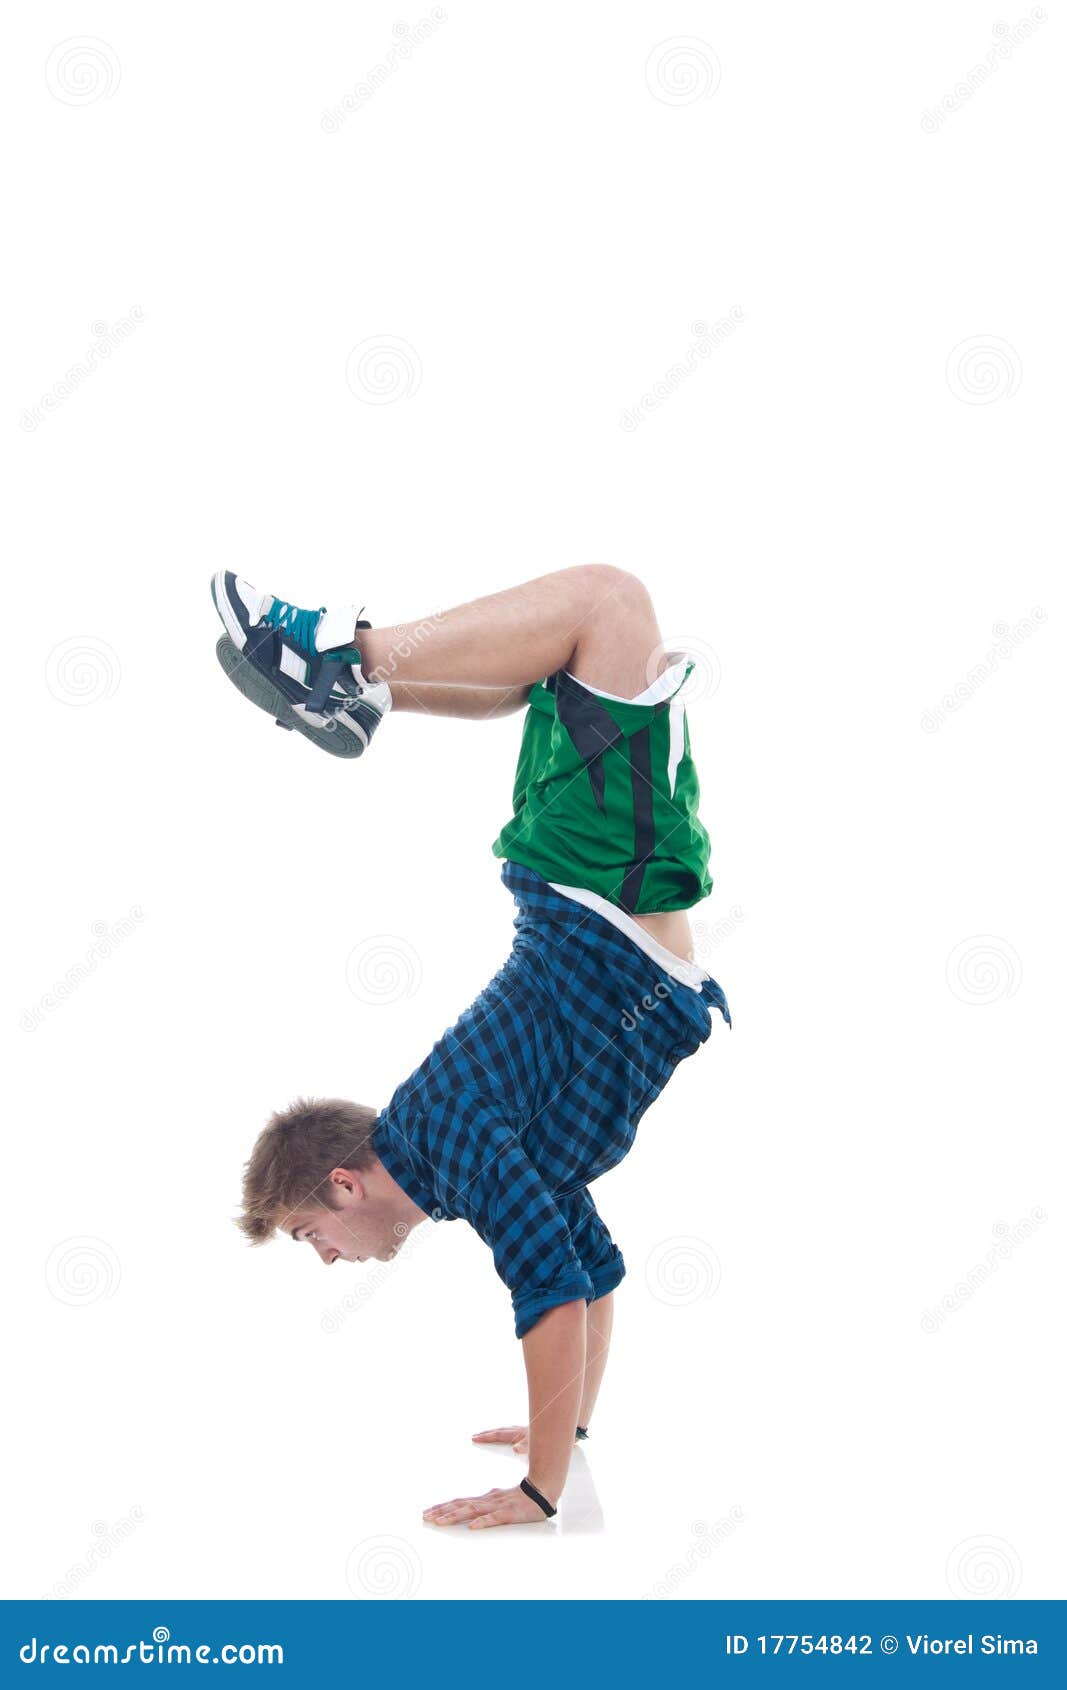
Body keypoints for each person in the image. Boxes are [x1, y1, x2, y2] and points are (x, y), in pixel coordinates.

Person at [211, 562, 731, 1530]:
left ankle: (346, 661)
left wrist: (538, 1489)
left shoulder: (442, 1137)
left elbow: (548, 1284)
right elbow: (589, 1266)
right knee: (563, 652)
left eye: (306, 1236)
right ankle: (366, 687)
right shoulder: (463, 1161)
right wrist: (561, 1426)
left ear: (342, 1183)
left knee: (605, 606)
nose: (325, 1259)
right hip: (577, 881)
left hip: (590, 900)